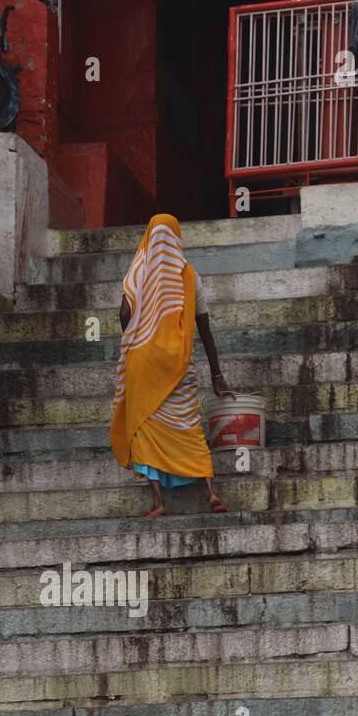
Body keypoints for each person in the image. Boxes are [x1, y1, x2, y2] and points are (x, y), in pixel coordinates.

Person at [109, 212, 231, 519]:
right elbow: (204, 328)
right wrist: (217, 374)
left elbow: (124, 313)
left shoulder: (138, 271)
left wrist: (138, 339)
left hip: (143, 363)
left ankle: (158, 502)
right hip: (179, 364)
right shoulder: (189, 276)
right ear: (177, 238)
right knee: (188, 426)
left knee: (144, 427)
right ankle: (211, 492)